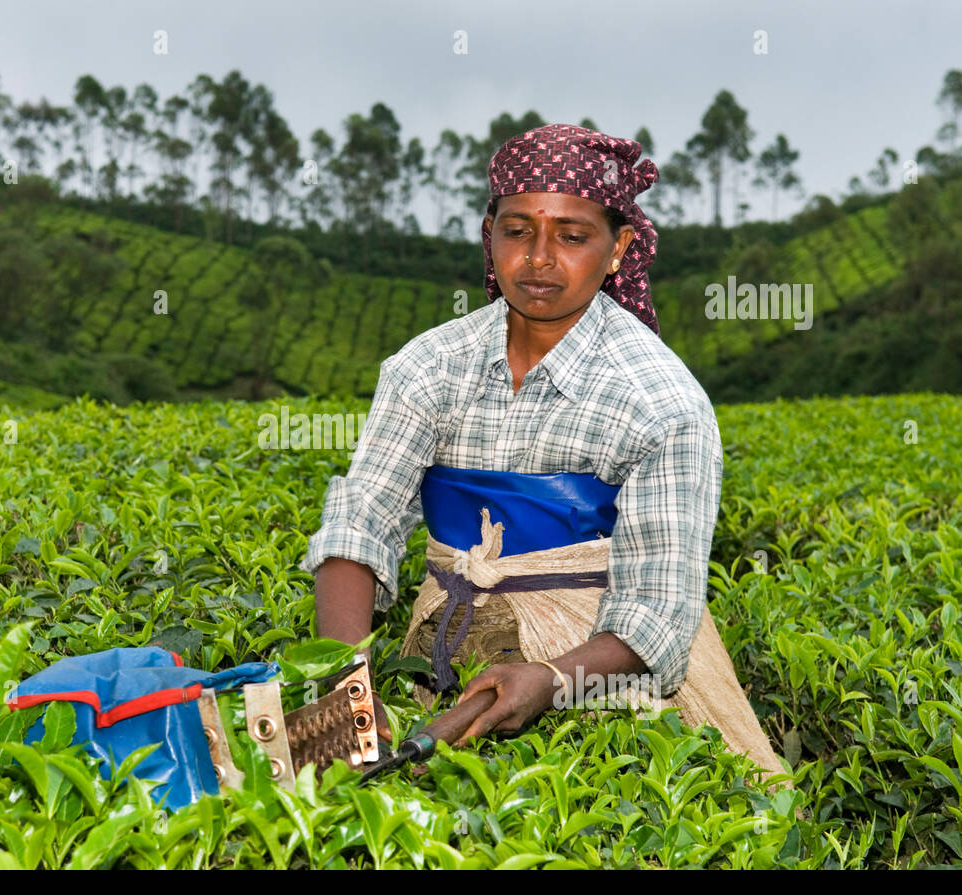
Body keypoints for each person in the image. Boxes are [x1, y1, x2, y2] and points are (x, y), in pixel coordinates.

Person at [300, 123, 786, 784]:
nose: (538, 259)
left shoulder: (660, 401)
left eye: (573, 236)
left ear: (619, 249)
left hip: (610, 673)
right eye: (518, 230)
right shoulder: (429, 367)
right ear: (490, 235)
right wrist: (345, 687)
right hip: (453, 649)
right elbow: (361, 526)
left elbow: (657, 622)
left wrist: (552, 679)